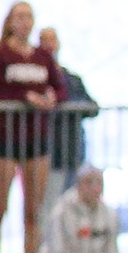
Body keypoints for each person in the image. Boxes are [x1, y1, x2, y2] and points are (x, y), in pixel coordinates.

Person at [0, 1, 65, 253]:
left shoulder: (43, 56)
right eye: (19, 16)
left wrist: (51, 97)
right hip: (5, 141)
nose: (25, 22)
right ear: (10, 22)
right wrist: (25, 97)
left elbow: (60, 86)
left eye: (29, 16)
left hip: (35, 141)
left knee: (32, 210)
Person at [37, 26, 96, 204]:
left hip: (73, 152)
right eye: (44, 40)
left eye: (52, 39)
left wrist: (69, 106)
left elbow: (93, 107)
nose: (49, 45)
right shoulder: (38, 78)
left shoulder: (72, 79)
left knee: (73, 204)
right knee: (51, 204)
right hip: (48, 154)